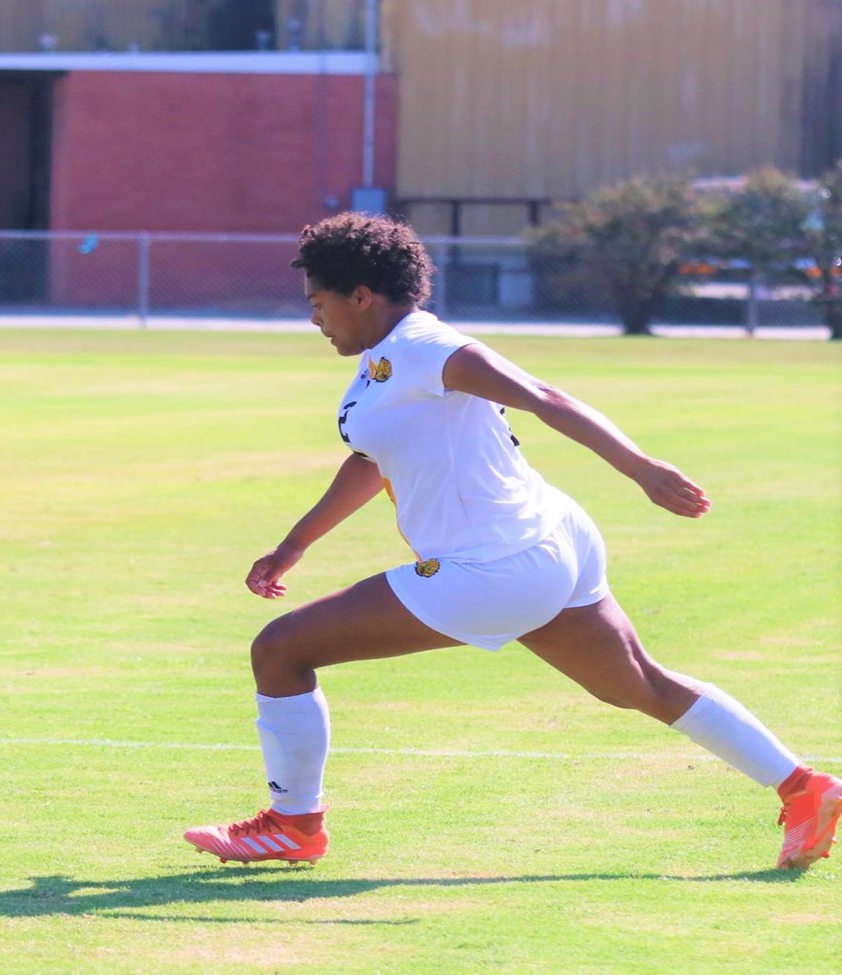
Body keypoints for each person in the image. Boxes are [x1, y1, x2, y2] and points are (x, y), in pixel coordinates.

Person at [184, 212, 838, 871]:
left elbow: (544, 397)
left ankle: (293, 825)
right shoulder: (385, 361)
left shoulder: (427, 347)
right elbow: (373, 460)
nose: (315, 319)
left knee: (281, 650)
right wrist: (296, 544)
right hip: (546, 540)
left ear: (361, 296)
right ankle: (804, 788)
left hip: (498, 565)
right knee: (638, 684)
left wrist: (642, 469)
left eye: (319, 303)